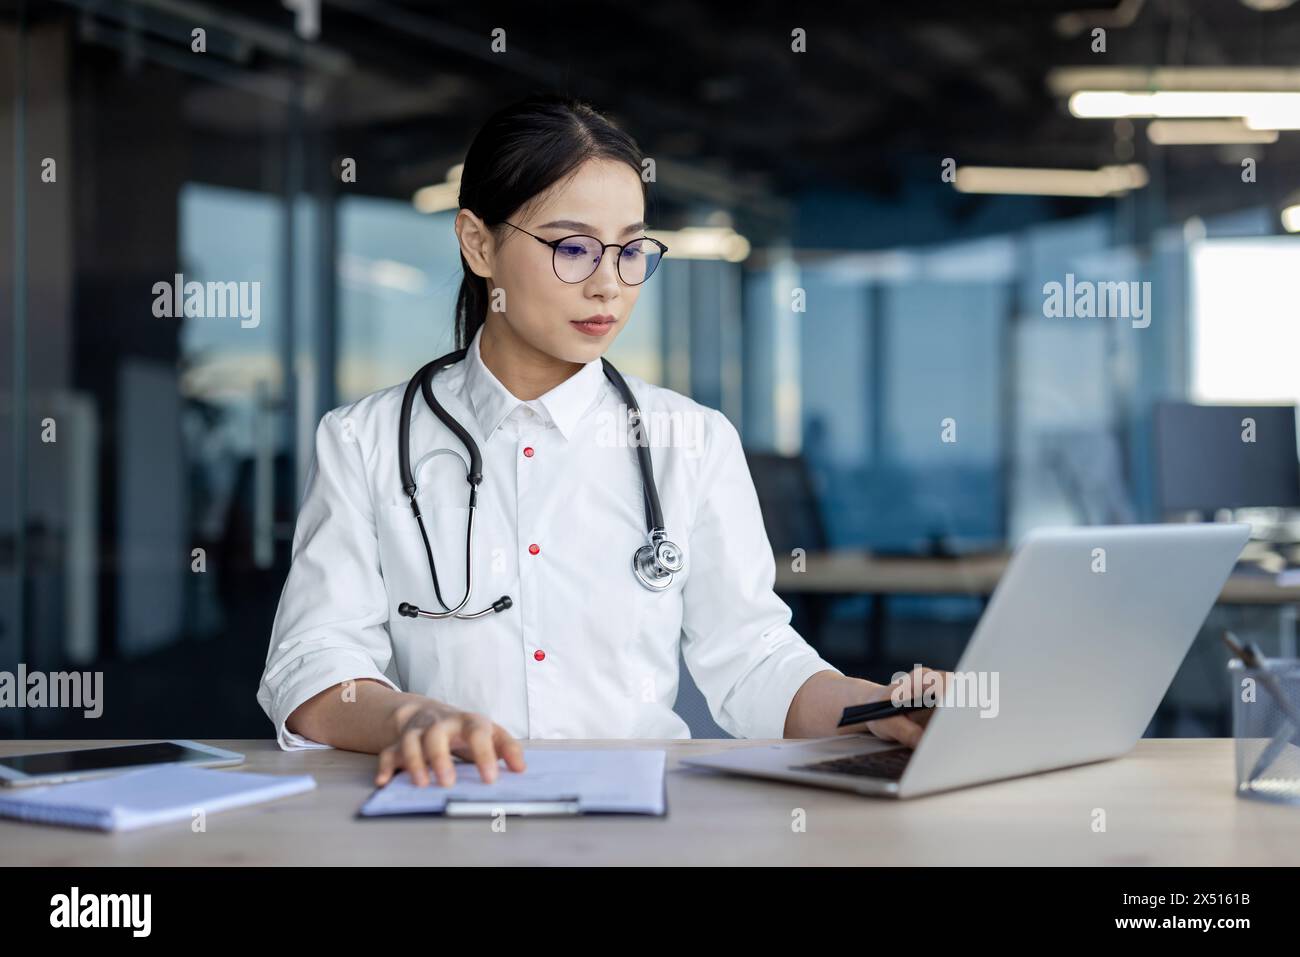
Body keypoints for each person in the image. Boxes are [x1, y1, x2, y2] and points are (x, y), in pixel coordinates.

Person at [256, 93, 942, 789]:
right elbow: (312, 662)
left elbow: (754, 656)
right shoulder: (363, 442)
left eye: (631, 249)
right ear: (479, 243)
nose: (609, 285)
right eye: (573, 248)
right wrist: (410, 718)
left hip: (636, 825)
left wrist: (876, 706)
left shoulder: (692, 441)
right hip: (445, 814)